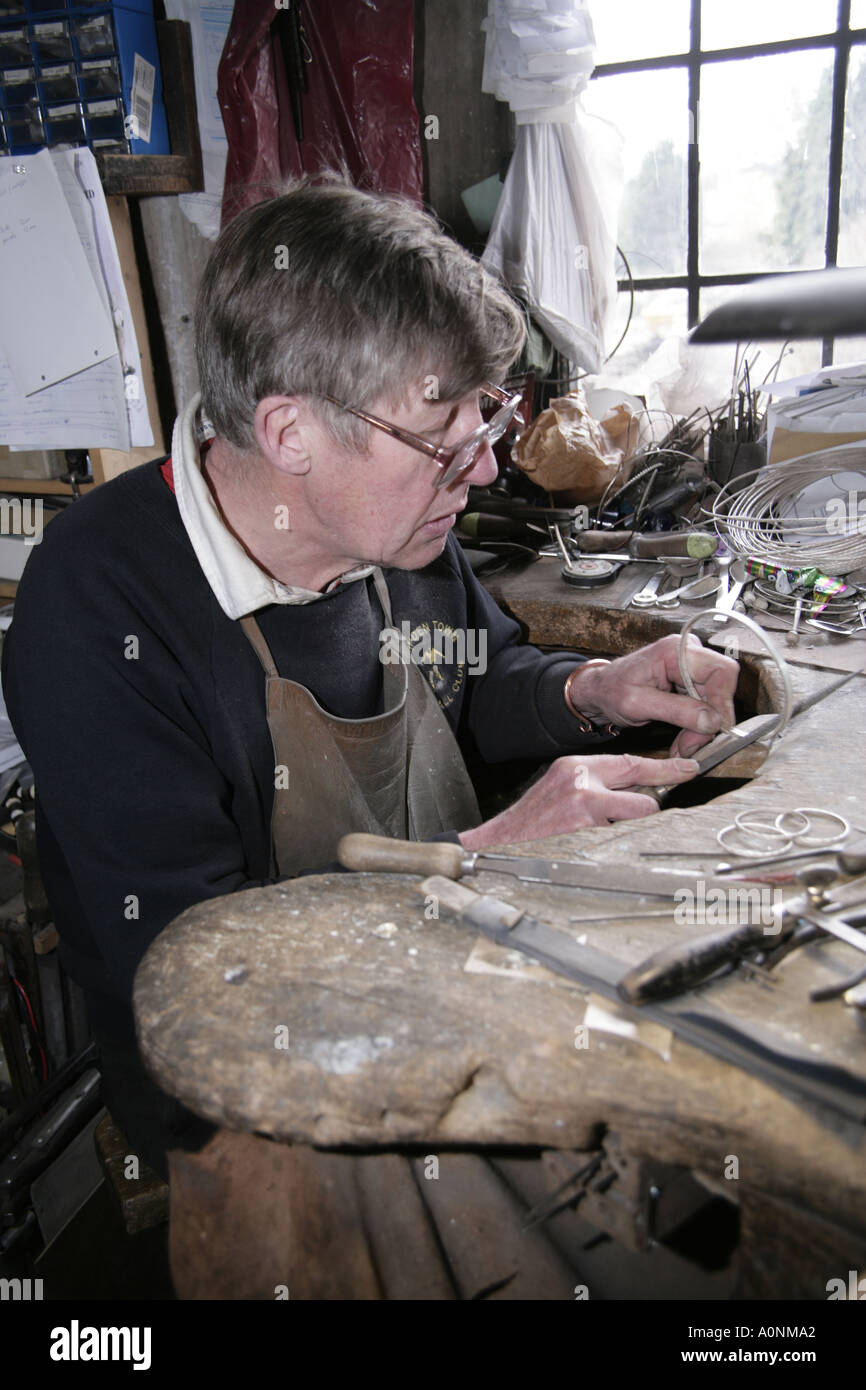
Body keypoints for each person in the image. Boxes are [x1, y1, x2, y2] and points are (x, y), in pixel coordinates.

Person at [1, 179, 738, 1179]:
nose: (480, 472)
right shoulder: (98, 604)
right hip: (250, 1081)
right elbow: (195, 967)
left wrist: (593, 691)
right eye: (448, 441)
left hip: (438, 973)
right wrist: (479, 858)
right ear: (290, 433)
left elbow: (472, 681)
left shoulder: (399, 526)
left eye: (485, 422)